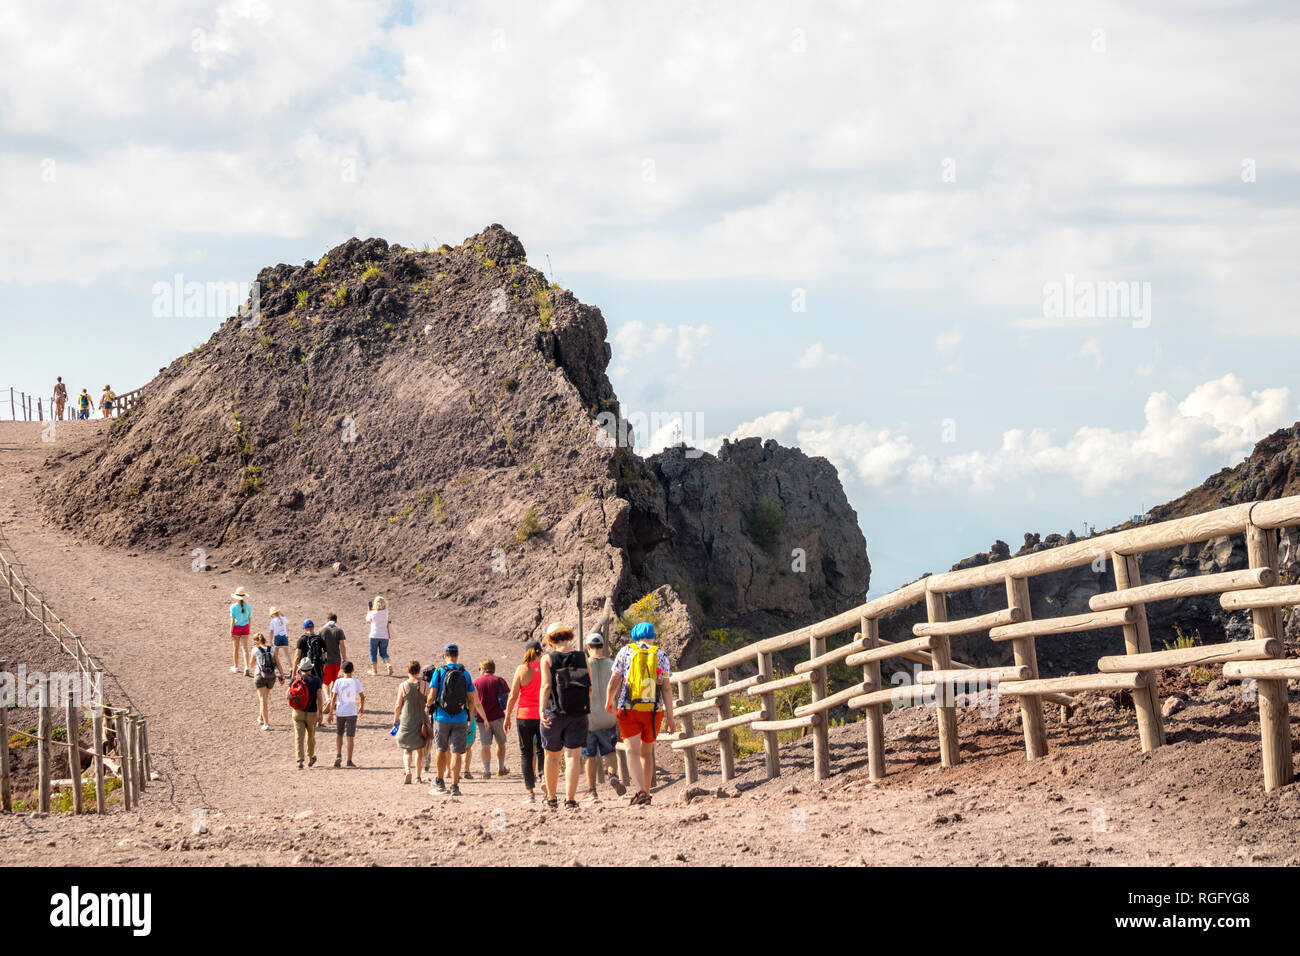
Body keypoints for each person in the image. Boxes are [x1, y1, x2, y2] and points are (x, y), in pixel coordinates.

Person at [606, 622, 676, 807]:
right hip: (653, 711)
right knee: (647, 753)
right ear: (652, 635)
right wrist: (670, 717)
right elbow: (667, 688)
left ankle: (641, 791)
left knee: (632, 751)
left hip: (628, 709)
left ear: (634, 635)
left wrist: (609, 699)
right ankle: (646, 793)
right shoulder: (661, 654)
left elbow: (614, 679)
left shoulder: (625, 652)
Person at [538, 622, 592, 810]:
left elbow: (546, 687)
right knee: (572, 757)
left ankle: (552, 798)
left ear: (551, 639)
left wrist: (541, 710)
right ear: (568, 636)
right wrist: (584, 705)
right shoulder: (582, 656)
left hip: (554, 712)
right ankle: (570, 799)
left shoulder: (547, 659)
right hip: (578, 713)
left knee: (552, 757)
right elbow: (589, 686)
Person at [426, 644, 488, 797]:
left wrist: (427, 707)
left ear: (444, 655)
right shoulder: (465, 674)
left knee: (441, 749)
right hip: (460, 718)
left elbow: (432, 694)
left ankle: (440, 781)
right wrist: (469, 715)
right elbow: (472, 698)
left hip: (441, 717)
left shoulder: (439, 672)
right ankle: (454, 786)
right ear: (457, 655)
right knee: (457, 752)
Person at [581, 633, 627, 802]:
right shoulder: (612, 664)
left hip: (589, 718)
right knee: (609, 750)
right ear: (603, 646)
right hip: (609, 716)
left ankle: (591, 790)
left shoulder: (585, 666)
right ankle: (613, 774)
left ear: (588, 648)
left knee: (589, 755)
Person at [503, 641, 547, 804]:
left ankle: (529, 792)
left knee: (526, 753)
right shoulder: (545, 669)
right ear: (540, 653)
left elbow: (513, 696)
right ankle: (544, 778)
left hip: (524, 716)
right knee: (543, 750)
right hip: (542, 714)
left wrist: (507, 716)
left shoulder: (521, 670)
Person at [393, 661, 430, 785]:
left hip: (407, 720)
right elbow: (429, 703)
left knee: (407, 750)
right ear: (419, 671)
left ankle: (408, 770)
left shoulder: (403, 686)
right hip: (421, 720)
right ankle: (418, 777)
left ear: (407, 671)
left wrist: (396, 718)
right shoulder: (425, 685)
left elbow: (398, 705)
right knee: (419, 750)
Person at [474, 659, 510, 778]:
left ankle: (487, 771)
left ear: (483, 669)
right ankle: (500, 768)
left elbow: (473, 701)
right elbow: (508, 697)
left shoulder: (476, 682)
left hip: (481, 718)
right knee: (501, 743)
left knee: (485, 745)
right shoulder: (499, 681)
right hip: (498, 716)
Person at [287, 658, 324, 769]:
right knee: (310, 736)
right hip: (312, 712)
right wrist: (320, 712)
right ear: (311, 668)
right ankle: (310, 758)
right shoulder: (316, 680)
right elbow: (319, 697)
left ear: (300, 668)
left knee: (299, 736)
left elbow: (287, 695)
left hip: (298, 712)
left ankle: (300, 761)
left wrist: (295, 705)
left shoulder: (295, 679)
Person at [331, 661, 364, 768]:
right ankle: (349, 761)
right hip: (351, 712)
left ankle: (338, 754)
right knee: (350, 736)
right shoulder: (356, 681)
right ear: (353, 670)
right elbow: (362, 696)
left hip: (340, 712)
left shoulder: (338, 681)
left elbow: (333, 698)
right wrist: (361, 707)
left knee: (339, 734)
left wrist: (331, 712)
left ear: (342, 670)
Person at [318, 613, 348, 723]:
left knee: (324, 682)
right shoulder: (339, 630)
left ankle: (328, 699)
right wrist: (344, 659)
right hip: (336, 660)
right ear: (336, 620)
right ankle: (331, 701)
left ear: (327, 619)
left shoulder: (321, 630)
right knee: (334, 681)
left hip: (325, 661)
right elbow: (342, 646)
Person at [251, 633, 283, 731]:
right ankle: (261, 717)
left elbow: (251, 664)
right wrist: (281, 675)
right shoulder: (272, 649)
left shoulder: (255, 650)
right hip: (271, 677)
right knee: (265, 698)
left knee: (262, 700)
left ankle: (266, 723)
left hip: (260, 676)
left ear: (256, 641)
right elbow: (278, 662)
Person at [366, 596, 393, 676]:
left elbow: (367, 620)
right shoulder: (386, 612)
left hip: (374, 635)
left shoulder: (372, 613)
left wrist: (369, 611)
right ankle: (388, 664)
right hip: (384, 636)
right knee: (383, 652)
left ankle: (374, 671)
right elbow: (389, 621)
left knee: (373, 653)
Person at [229, 587, 253, 676]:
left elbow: (232, 620)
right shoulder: (248, 606)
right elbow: (250, 619)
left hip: (237, 628)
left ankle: (236, 667)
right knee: (245, 649)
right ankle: (246, 666)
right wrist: (248, 629)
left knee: (236, 648)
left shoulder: (233, 607)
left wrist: (230, 631)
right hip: (245, 627)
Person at [268, 606, 291, 675]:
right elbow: (284, 616)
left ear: (272, 614)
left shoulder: (272, 621)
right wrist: (280, 612)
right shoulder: (283, 619)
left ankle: (276, 668)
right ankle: (291, 668)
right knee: (287, 655)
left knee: (275, 655)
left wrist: (270, 641)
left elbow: (271, 632)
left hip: (277, 638)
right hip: (284, 637)